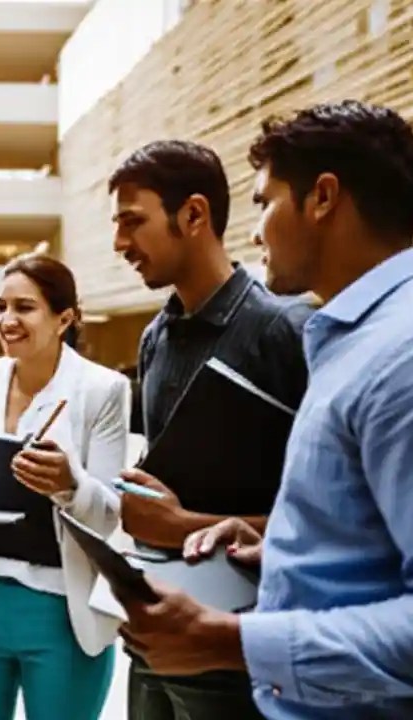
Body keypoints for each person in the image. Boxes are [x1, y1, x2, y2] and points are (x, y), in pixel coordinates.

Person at [121, 100, 413, 719]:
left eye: (264, 203)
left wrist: (229, 640)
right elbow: (383, 550)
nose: (254, 231)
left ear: (322, 199)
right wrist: (293, 549)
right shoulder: (355, 342)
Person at [108, 139, 312, 719]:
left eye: (133, 222)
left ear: (193, 215)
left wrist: (181, 527)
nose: (120, 243)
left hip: (239, 644)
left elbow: (332, 517)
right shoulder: (154, 338)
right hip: (153, 633)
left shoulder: (288, 332)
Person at [0, 253, 126, 720]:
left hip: (63, 611)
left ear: (65, 319)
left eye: (24, 307)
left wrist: (69, 484)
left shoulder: (103, 390)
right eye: (0, 306)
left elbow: (109, 514)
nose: (6, 320)